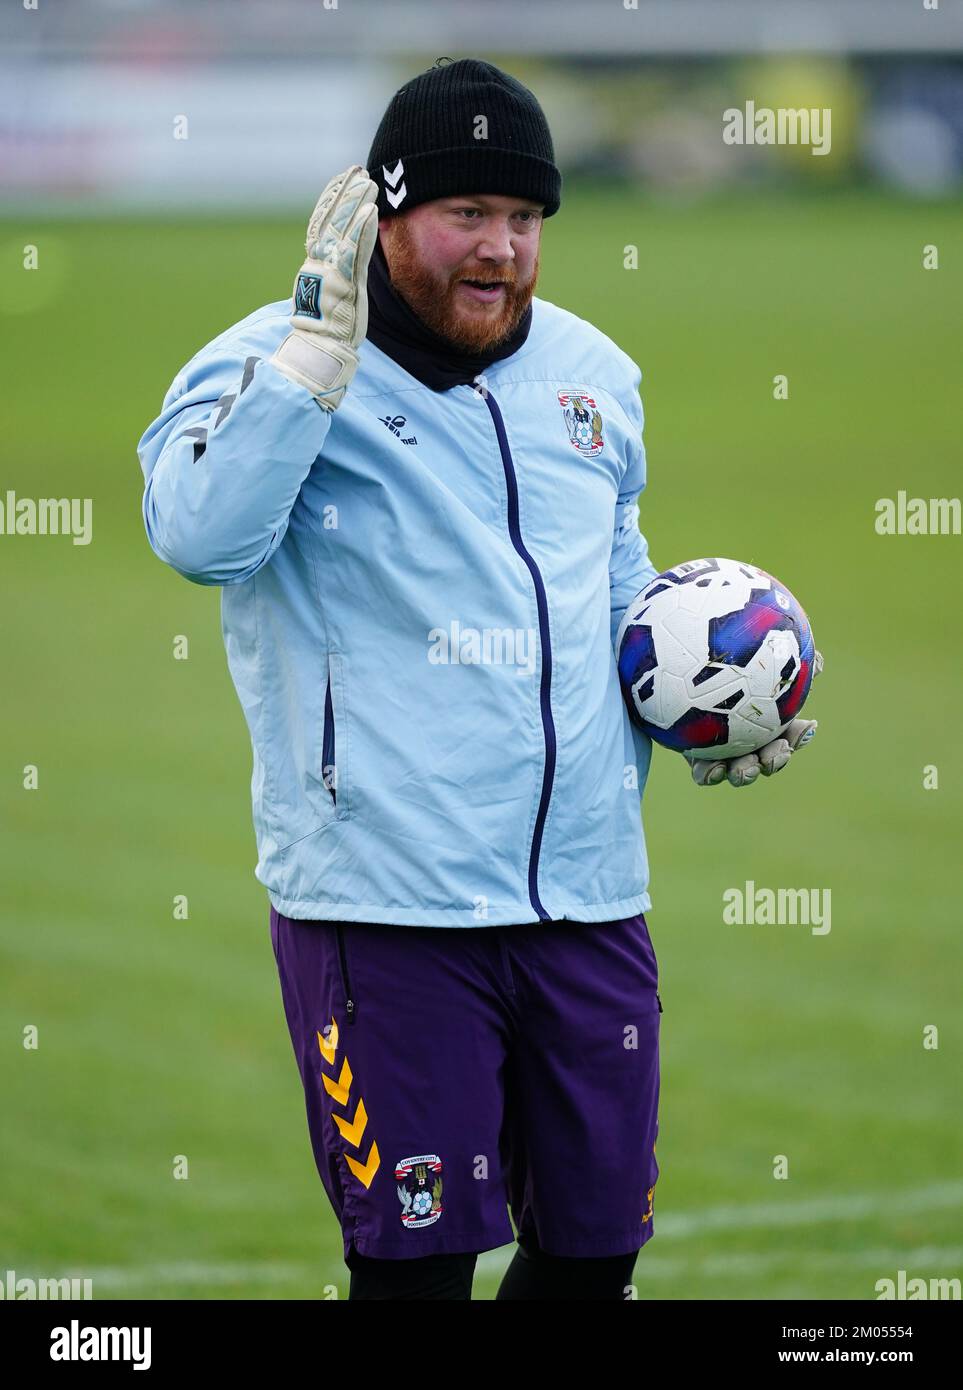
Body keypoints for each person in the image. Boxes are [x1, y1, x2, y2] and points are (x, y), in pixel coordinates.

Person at [137, 57, 818, 1301]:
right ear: (383, 219)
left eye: (525, 219)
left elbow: (615, 588)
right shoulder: (267, 363)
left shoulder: (595, 374)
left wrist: (706, 706)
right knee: (419, 1272)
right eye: (468, 216)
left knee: (593, 1261)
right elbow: (195, 534)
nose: (502, 249)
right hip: (387, 915)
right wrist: (310, 363)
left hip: (590, 903)